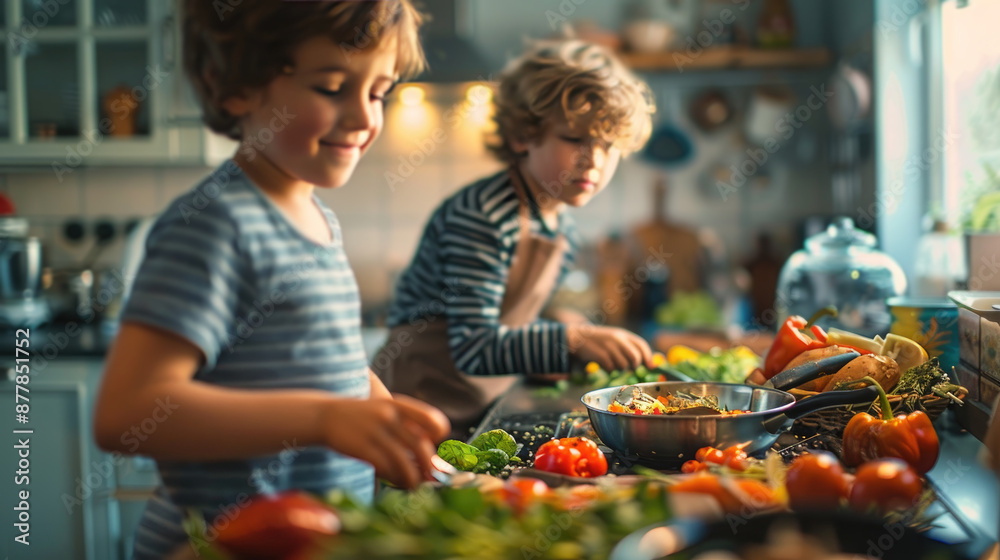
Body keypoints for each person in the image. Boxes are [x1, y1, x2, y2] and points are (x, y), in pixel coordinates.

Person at [92, 2, 449, 559]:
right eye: (331, 87)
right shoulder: (215, 224)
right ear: (234, 86)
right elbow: (128, 412)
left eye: (378, 92)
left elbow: (336, 368)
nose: (363, 117)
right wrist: (326, 421)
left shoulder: (320, 222)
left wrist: (387, 425)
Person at [372, 39, 657, 437]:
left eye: (608, 145)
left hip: (479, 406)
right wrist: (573, 339)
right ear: (524, 135)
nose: (594, 158)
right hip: (412, 408)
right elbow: (475, 345)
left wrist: (557, 322)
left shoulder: (561, 228)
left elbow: (509, 317)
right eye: (575, 139)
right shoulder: (484, 216)